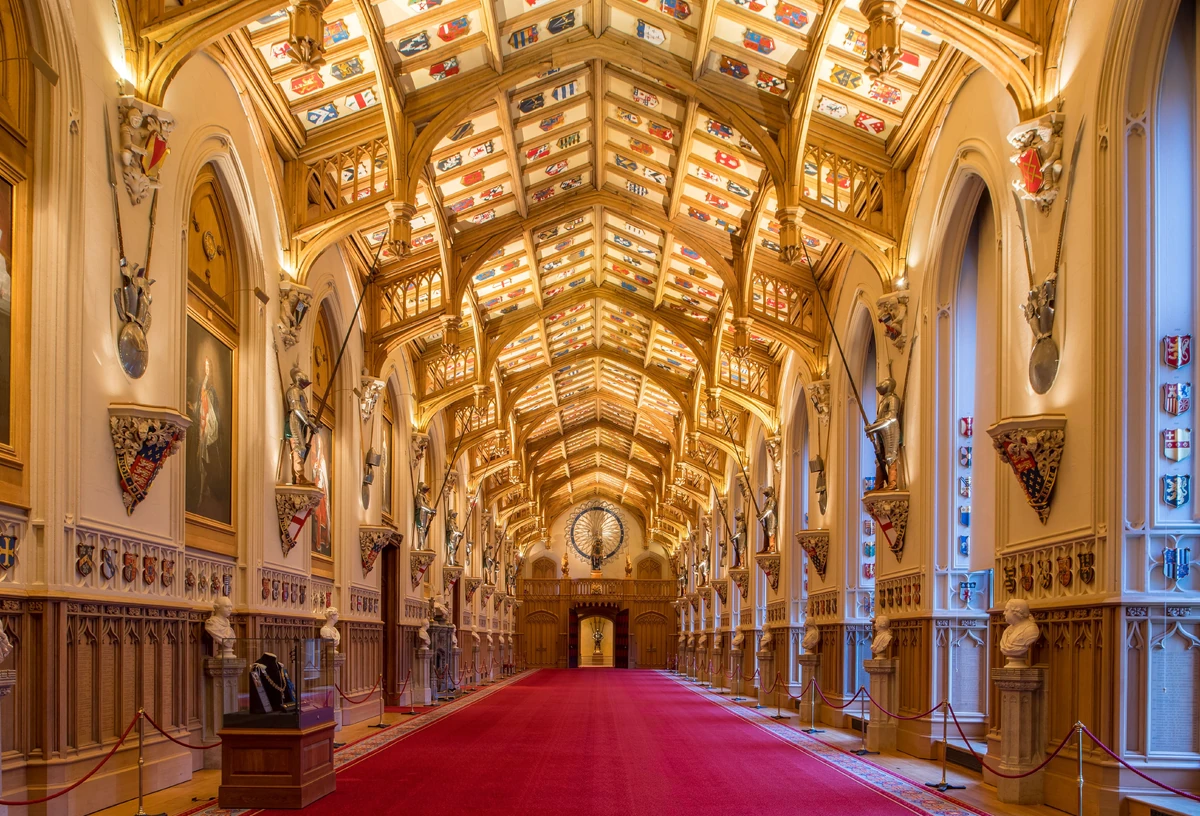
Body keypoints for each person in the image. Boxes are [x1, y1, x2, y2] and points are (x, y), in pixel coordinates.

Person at [999, 599, 1041, 667]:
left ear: (1016, 612)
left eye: (1006, 610)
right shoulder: (1007, 630)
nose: (1004, 613)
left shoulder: (1030, 630)